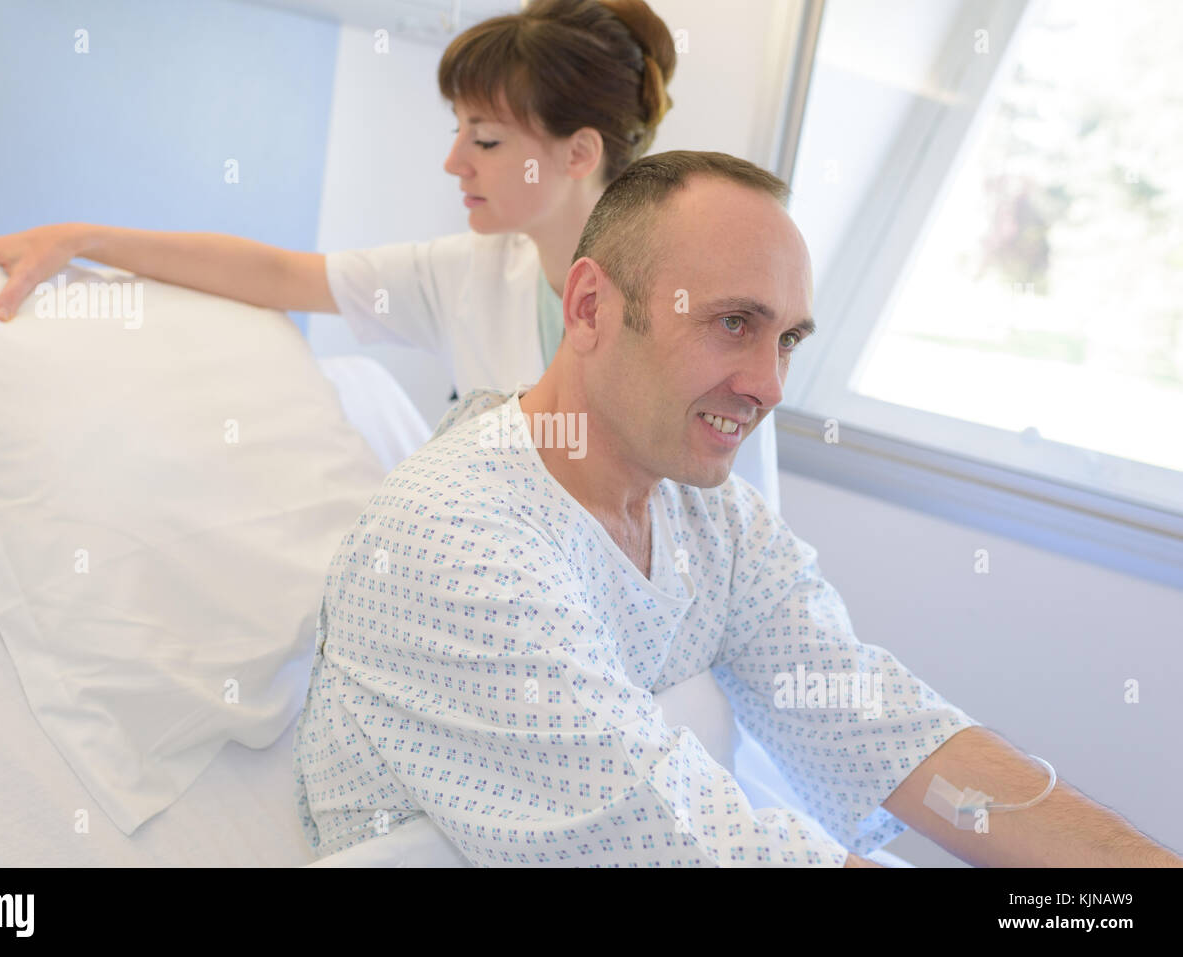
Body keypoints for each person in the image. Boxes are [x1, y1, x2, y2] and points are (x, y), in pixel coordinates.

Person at [292, 150, 1183, 868]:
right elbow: (681, 841)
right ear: (591, 306)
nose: (768, 384)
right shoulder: (453, 539)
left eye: (786, 339)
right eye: (732, 324)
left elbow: (883, 726)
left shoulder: (709, 516)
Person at [0, 0, 676, 402]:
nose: (453, 161)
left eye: (486, 140)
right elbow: (278, 274)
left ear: (578, 154)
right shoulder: (471, 272)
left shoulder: (677, 298)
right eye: (458, 132)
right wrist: (82, 238)